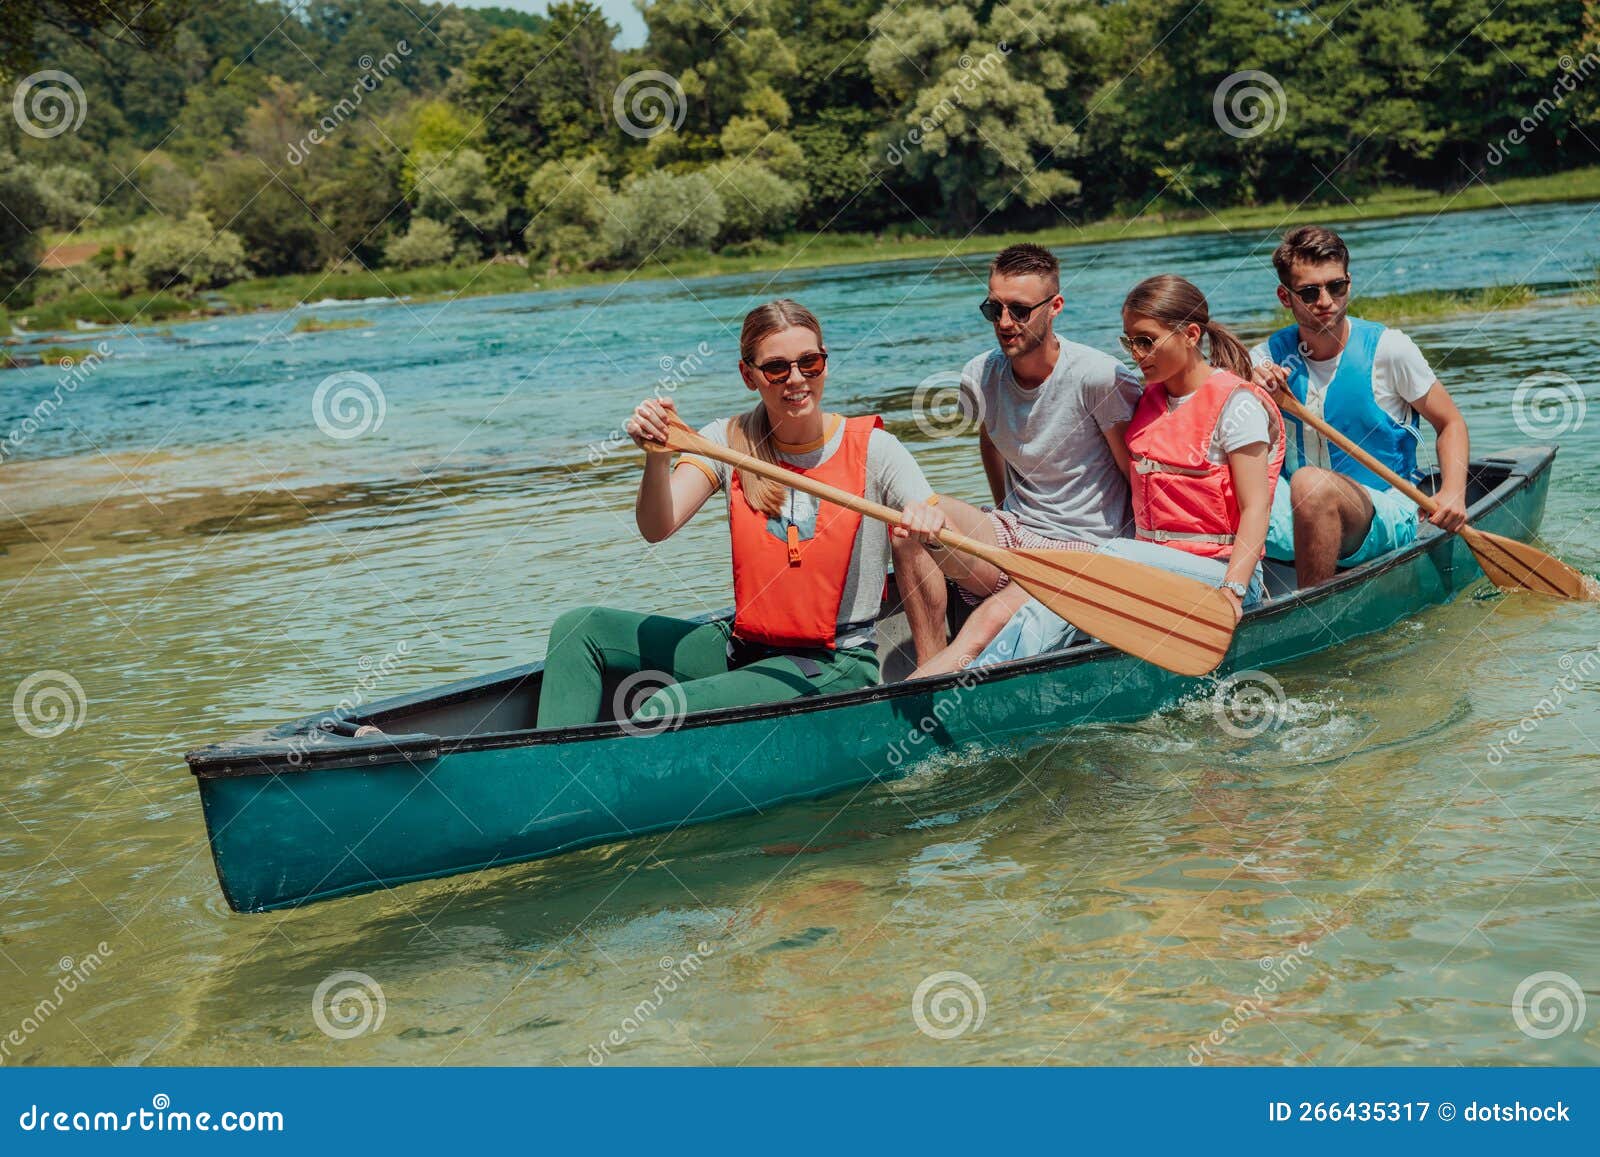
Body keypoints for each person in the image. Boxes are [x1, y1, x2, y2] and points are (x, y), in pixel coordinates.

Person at [535, 299, 946, 730]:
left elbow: (938, 529)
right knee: (578, 628)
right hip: (744, 648)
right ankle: (548, 774)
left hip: (830, 664)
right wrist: (657, 458)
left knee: (668, 706)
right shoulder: (724, 442)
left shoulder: (876, 450)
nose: (796, 379)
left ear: (825, 361)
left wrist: (928, 523)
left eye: (810, 362)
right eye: (776, 368)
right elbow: (657, 527)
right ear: (748, 375)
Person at [902, 243, 1144, 676]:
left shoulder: (1099, 377)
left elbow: (1136, 475)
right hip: (1015, 532)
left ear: (1055, 307)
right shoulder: (980, 374)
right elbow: (991, 440)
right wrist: (1001, 510)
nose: (1005, 323)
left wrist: (1140, 570)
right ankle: (925, 671)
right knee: (910, 526)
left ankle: (924, 688)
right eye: (993, 309)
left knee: (989, 619)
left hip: (1085, 551)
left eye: (1018, 310)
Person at [1251, 226, 1470, 588]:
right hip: (1295, 515)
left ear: (1348, 283)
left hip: (1384, 513)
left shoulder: (1390, 350)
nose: (1326, 301)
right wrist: (1249, 390)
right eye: (1309, 292)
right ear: (1284, 297)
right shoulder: (1262, 359)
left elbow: (1450, 423)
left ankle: (1312, 613)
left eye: (1336, 287)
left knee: (1311, 484)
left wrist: (1453, 493)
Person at [1098, 274, 1286, 619]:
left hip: (1222, 573)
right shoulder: (1147, 401)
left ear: (1190, 335)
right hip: (1156, 569)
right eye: (1130, 343)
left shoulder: (1238, 406)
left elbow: (1256, 508)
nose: (1137, 354)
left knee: (1109, 557)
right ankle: (975, 669)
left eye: (1147, 341)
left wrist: (1233, 591)